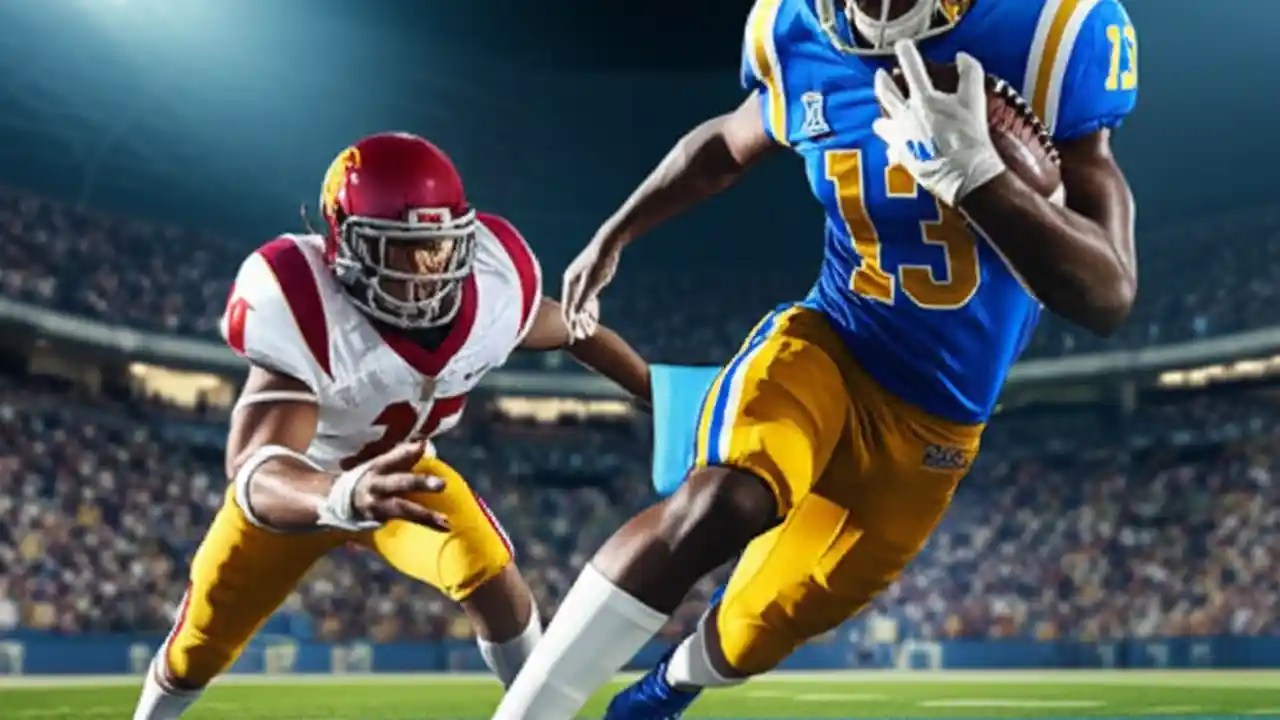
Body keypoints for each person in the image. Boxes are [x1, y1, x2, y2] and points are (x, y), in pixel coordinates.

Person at [494, 0, 1139, 716]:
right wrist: (614, 235)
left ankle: (659, 694)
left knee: (755, 631)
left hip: (938, 419)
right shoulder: (791, 27)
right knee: (725, 497)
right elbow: (722, 147)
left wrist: (981, 180)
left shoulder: (1052, 32)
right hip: (832, 339)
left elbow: (1108, 295)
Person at [130, 132, 650, 720]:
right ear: (346, 246)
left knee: (490, 574)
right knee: (201, 641)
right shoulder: (302, 303)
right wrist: (342, 492)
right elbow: (254, 471)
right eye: (403, 250)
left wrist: (652, 389)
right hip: (308, 487)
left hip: (403, 477)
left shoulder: (493, 292)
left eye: (440, 247)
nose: (429, 271)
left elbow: (575, 328)